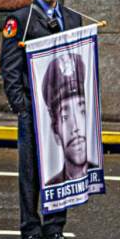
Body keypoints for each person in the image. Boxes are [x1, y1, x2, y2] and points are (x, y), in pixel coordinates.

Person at [0, 0, 84, 239]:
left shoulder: (73, 19)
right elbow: (10, 67)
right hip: (34, 109)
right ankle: (30, 228)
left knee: (61, 168)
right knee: (31, 172)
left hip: (64, 109)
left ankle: (54, 228)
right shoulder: (20, 20)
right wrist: (21, 106)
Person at [41, 49, 90, 186]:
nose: (75, 127)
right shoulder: (52, 184)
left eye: (81, 111)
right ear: (55, 132)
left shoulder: (95, 168)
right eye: (65, 117)